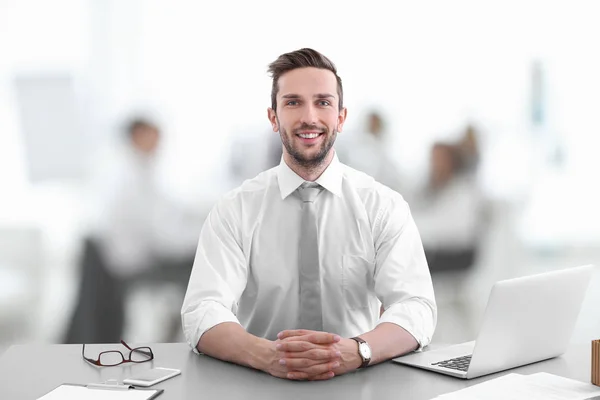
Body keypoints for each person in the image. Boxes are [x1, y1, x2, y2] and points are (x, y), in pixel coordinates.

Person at [181, 48, 436, 381]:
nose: (309, 117)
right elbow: (202, 310)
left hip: (361, 380)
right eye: (292, 102)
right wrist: (268, 355)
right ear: (273, 118)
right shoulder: (235, 209)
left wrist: (357, 350)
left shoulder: (383, 206)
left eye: (323, 102)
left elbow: (416, 307)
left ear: (341, 118)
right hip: (259, 381)